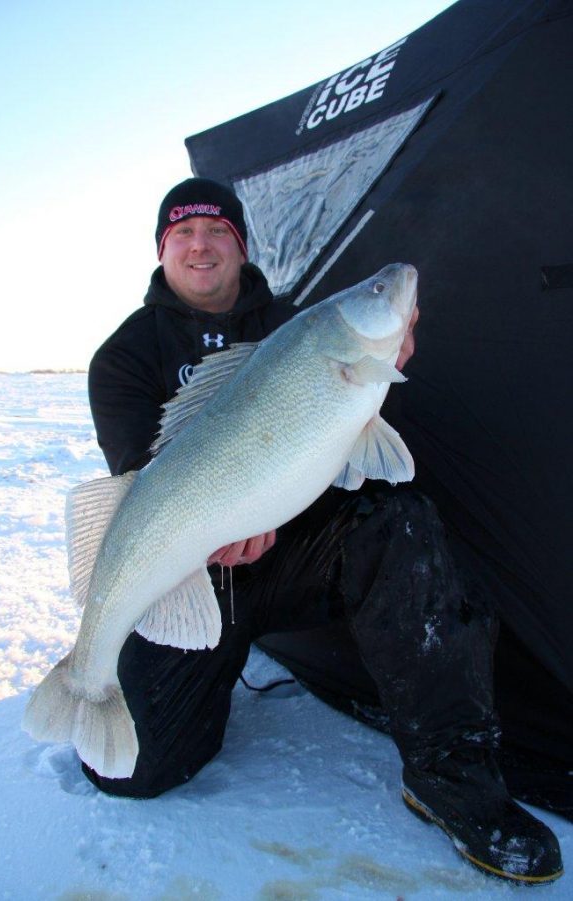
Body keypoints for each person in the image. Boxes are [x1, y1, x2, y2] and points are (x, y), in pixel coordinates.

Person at [87, 177, 563, 884]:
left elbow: (350, 454)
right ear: (162, 251)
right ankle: (108, 677)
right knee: (137, 769)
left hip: (295, 557)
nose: (199, 244)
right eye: (182, 233)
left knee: (401, 518)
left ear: (240, 245)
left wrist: (376, 374)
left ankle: (450, 777)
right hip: (193, 578)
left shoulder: (297, 325)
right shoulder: (122, 356)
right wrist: (219, 528)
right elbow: (141, 483)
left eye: (216, 230)